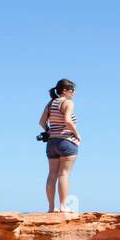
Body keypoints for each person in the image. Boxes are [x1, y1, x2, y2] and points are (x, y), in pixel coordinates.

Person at [38, 78, 81, 213]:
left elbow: (41, 122)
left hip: (52, 142)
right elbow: (68, 121)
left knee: (52, 174)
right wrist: (77, 134)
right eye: (72, 90)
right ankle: (63, 206)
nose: (73, 93)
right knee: (64, 174)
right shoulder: (68, 103)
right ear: (65, 91)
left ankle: (51, 207)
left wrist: (48, 130)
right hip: (66, 141)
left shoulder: (50, 104)